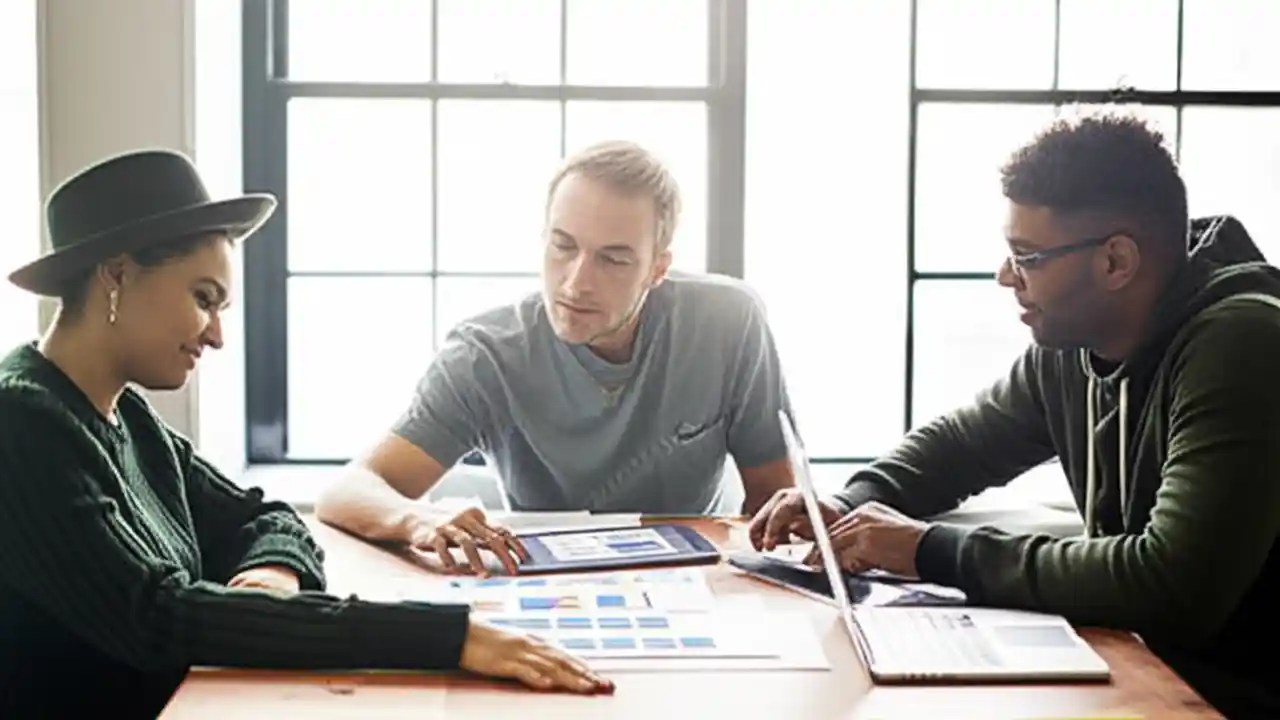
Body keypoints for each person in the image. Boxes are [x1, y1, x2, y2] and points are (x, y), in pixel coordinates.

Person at [0, 150, 613, 717]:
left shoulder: (126, 415)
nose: (216, 334)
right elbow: (157, 617)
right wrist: (448, 637)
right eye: (203, 298)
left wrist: (272, 577)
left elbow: (268, 517)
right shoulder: (22, 421)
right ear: (117, 275)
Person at [749, 111, 1280, 718]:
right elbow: (962, 445)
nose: (1006, 277)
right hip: (1143, 666)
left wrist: (928, 550)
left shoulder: (1243, 342)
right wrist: (847, 505)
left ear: (1115, 262)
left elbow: (1169, 583)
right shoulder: (1075, 347)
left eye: (1027, 257)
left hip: (1227, 691)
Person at [316, 140, 795, 575]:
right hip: (544, 580)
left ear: (657, 268)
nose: (575, 282)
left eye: (613, 259)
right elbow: (347, 491)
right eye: (562, 246)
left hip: (698, 575)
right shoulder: (487, 355)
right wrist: (421, 518)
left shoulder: (729, 322)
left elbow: (775, 506)